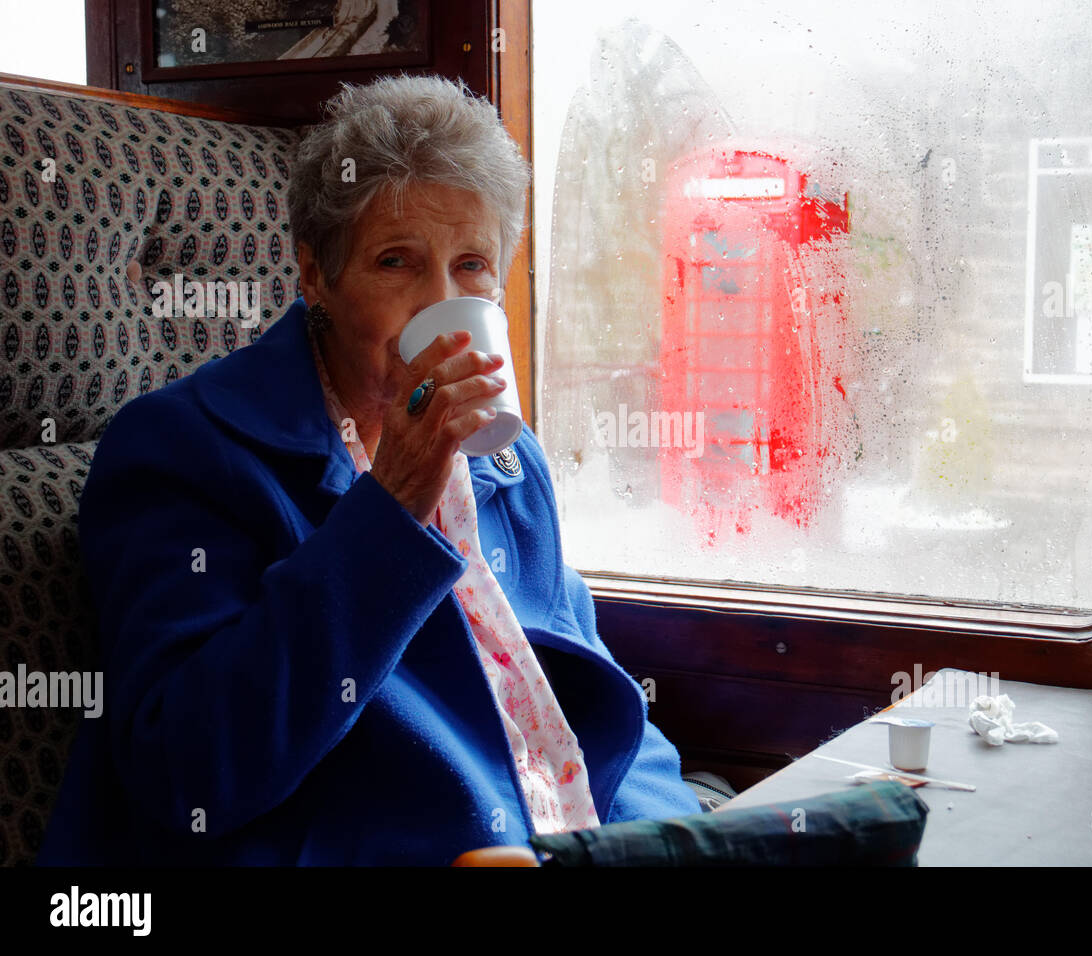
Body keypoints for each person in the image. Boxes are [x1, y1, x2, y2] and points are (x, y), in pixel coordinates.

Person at [37, 73, 700, 865]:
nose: (439, 301)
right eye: (396, 262)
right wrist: (391, 512)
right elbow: (192, 773)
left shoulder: (507, 460)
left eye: (472, 267)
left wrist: (692, 841)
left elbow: (584, 699)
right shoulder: (181, 449)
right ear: (316, 275)